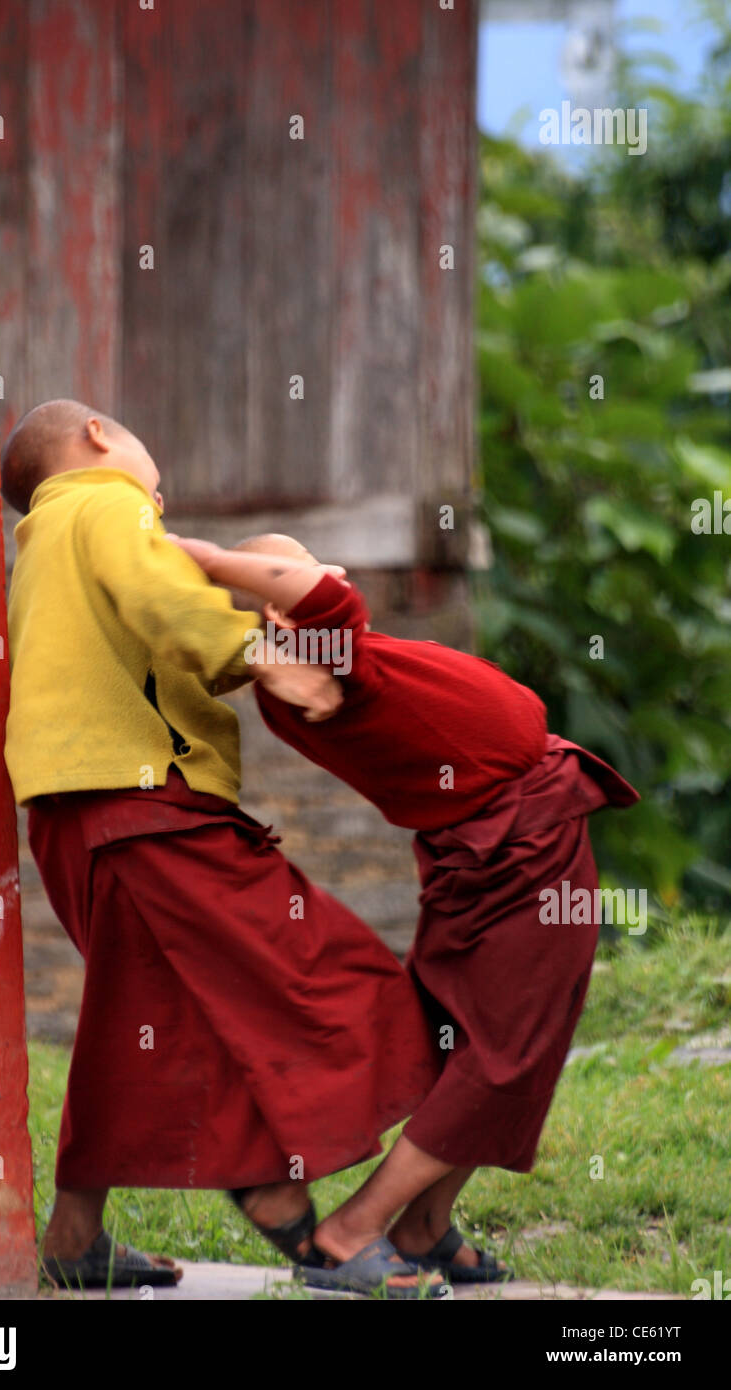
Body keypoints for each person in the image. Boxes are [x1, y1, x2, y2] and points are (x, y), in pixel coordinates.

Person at [1, 402, 441, 1296]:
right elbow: (159, 596)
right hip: (144, 804)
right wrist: (262, 652)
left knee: (144, 1011)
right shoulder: (107, 505)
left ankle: (79, 1236)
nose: (160, 502)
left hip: (80, 816)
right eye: (153, 478)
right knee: (316, 958)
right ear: (96, 434)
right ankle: (311, 1211)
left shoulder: (41, 546)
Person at [168, 530, 640, 1294]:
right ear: (277, 610)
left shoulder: (319, 663)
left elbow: (324, 599)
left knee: (491, 1045)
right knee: (504, 1053)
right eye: (298, 566)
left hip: (514, 834)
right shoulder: (318, 663)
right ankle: (353, 1228)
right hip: (514, 848)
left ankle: (424, 1223)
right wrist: (208, 559)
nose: (331, 571)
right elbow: (327, 600)